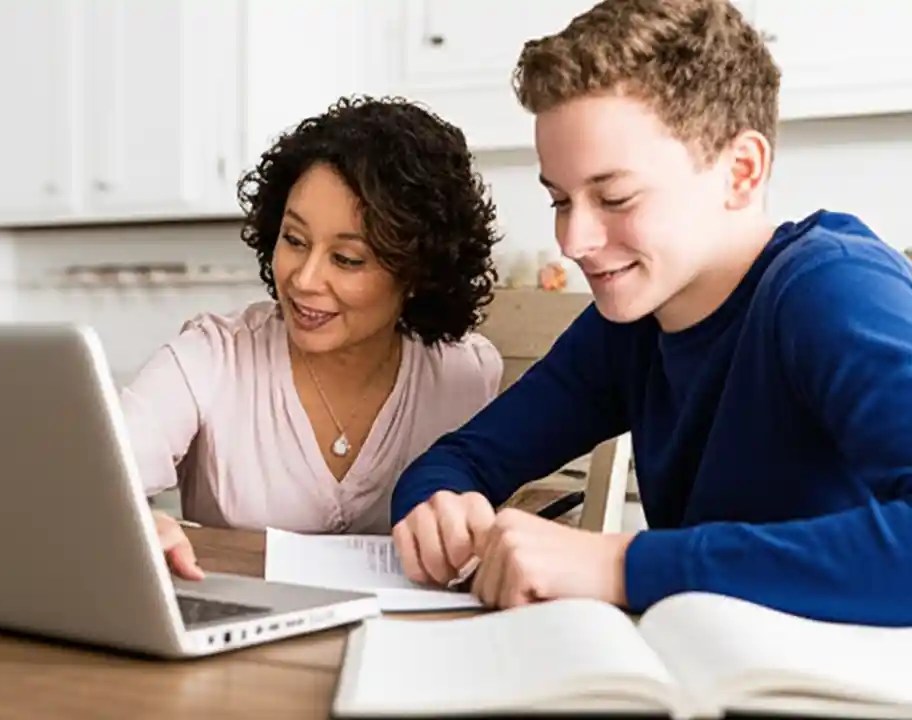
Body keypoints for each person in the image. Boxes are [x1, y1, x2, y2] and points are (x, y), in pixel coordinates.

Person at [391, 0, 912, 626]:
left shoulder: (832, 289)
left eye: (615, 197)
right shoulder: (631, 324)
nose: (573, 241)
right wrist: (439, 508)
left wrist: (620, 565)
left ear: (740, 172)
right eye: (560, 201)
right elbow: (461, 461)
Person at [120, 96, 504, 579]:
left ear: (416, 273)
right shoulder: (211, 357)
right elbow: (88, 475)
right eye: (295, 241)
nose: (303, 279)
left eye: (347, 259)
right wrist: (135, 522)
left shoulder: (466, 375)